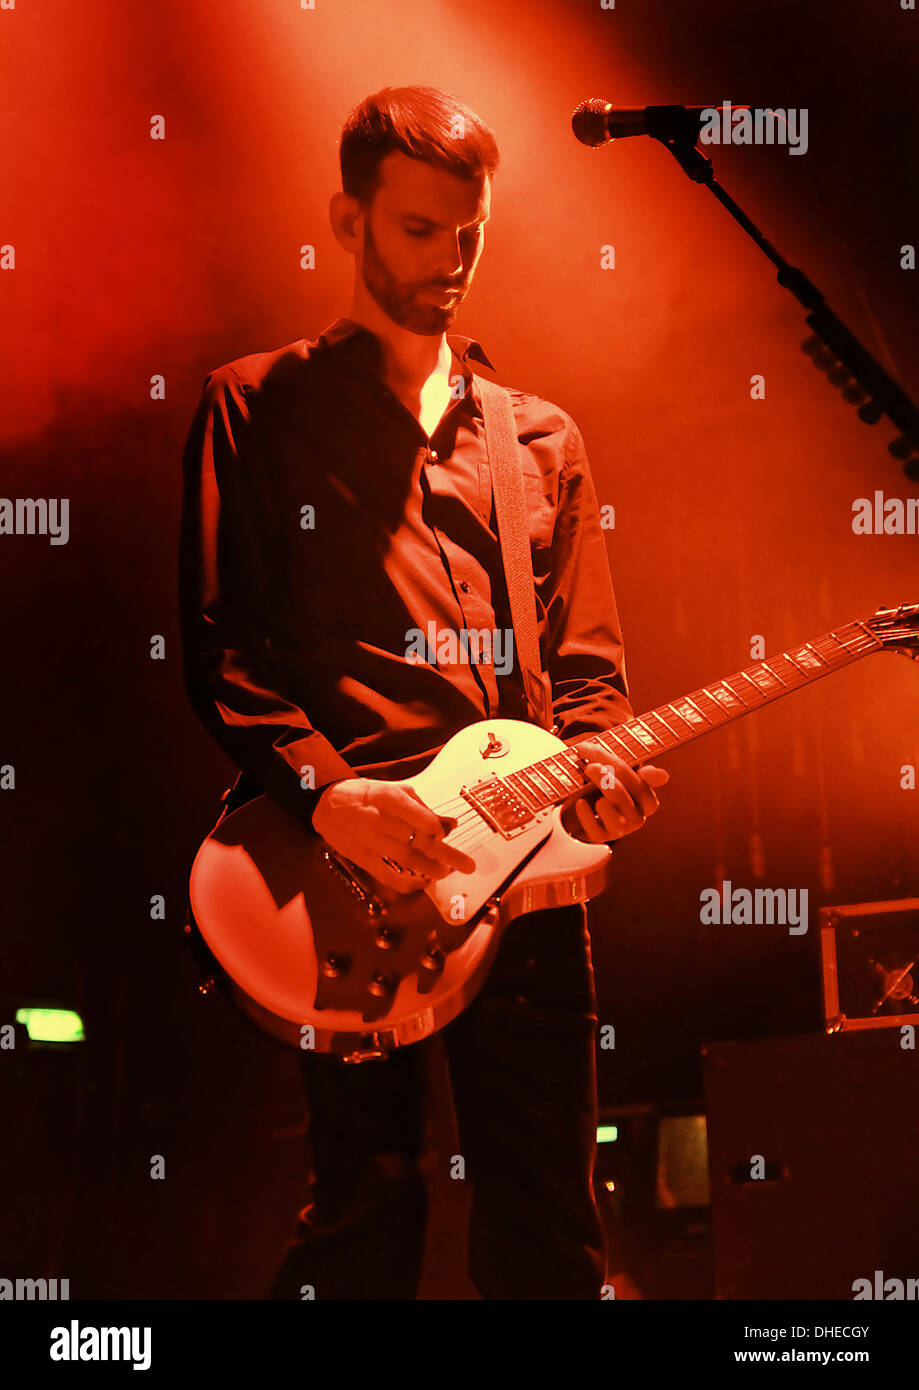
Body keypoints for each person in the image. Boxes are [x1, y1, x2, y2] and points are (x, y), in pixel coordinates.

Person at [178, 84, 669, 1300]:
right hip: (340, 868)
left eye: (471, 232)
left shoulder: (539, 436)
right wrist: (328, 794)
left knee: (551, 1217)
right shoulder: (256, 405)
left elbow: (590, 673)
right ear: (346, 223)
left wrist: (603, 775)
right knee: (365, 1205)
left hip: (531, 872)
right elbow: (222, 648)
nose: (450, 262)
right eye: (417, 231)